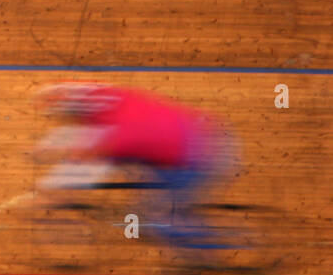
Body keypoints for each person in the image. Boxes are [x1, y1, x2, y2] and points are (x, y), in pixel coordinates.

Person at [33, 83, 236, 249]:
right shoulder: (112, 98)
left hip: (194, 160)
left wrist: (55, 187)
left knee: (155, 220)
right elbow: (87, 124)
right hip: (193, 132)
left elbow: (92, 158)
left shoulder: (122, 136)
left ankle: (207, 247)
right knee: (143, 184)